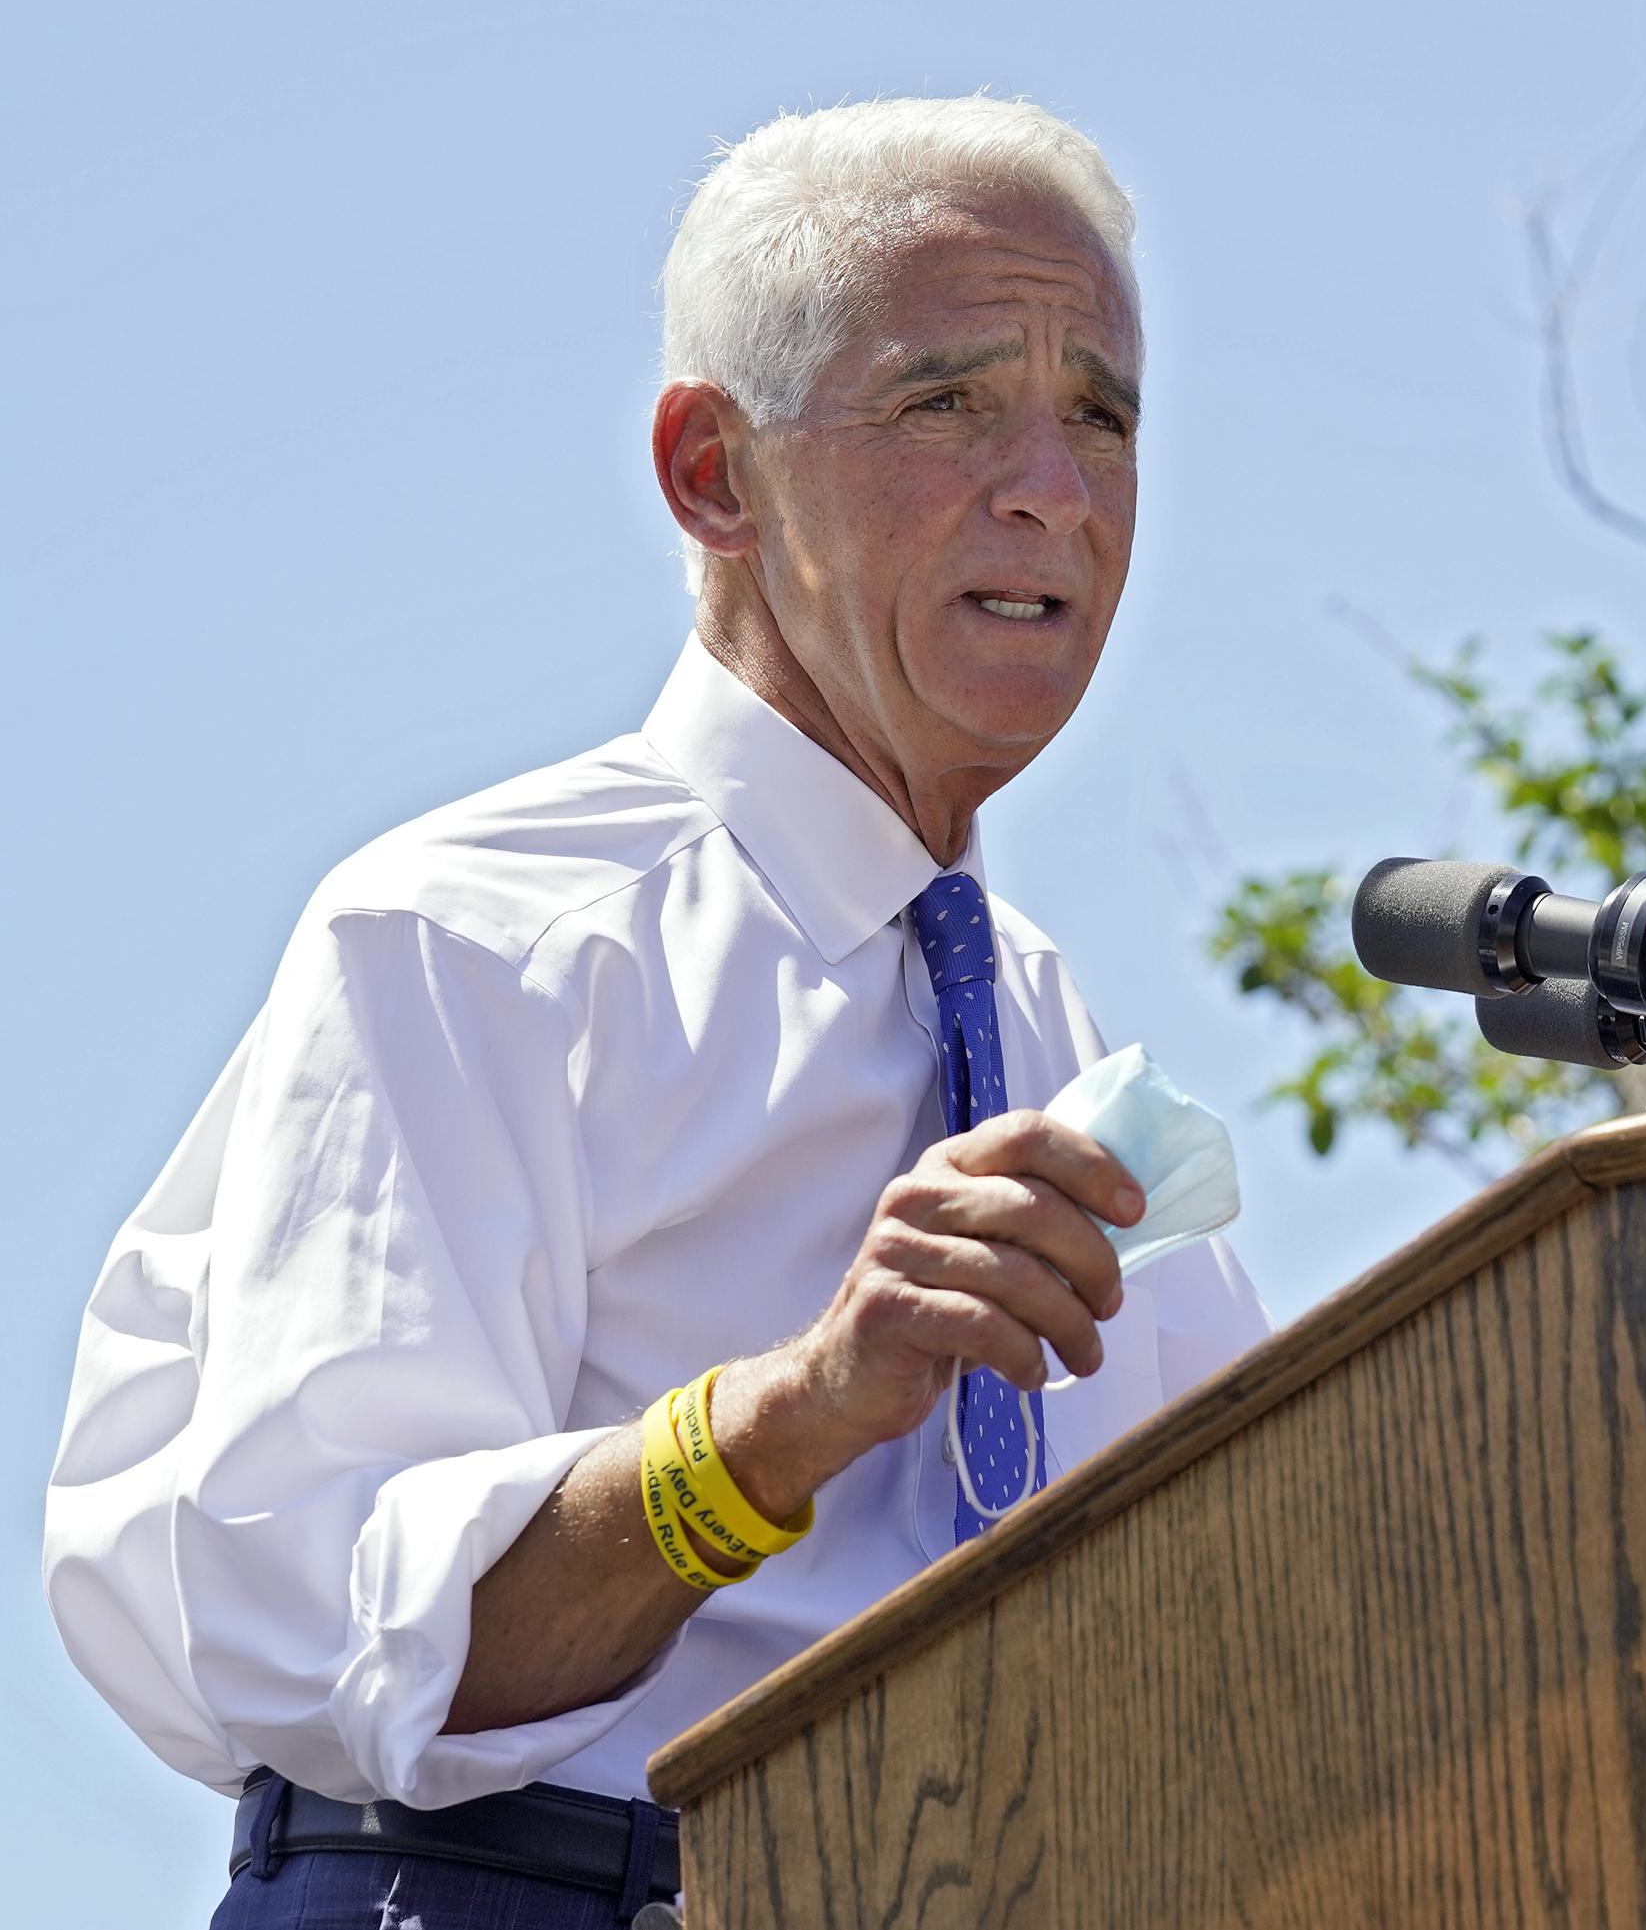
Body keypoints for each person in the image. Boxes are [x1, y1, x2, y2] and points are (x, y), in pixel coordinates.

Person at [42, 95, 1272, 1928]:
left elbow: (1261, 1581)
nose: (1055, 489)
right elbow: (316, 1614)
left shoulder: (1027, 1007)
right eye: (947, 401)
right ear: (714, 474)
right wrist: (792, 1416)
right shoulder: (479, 934)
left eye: (1102, 414)